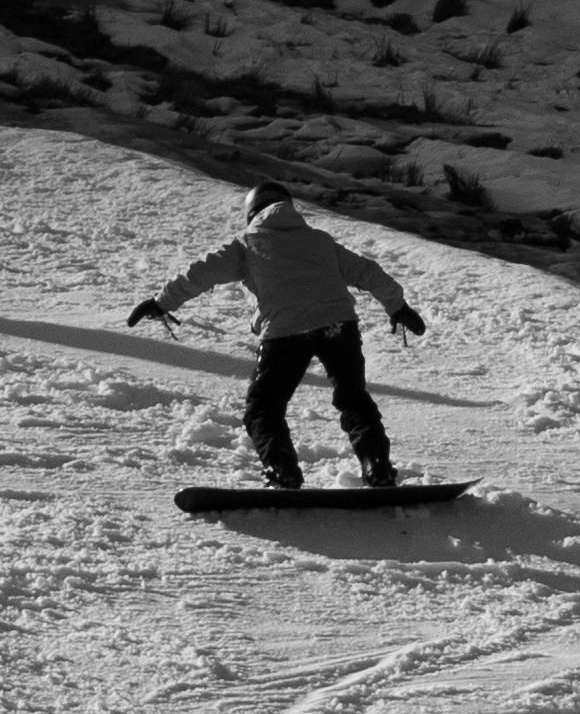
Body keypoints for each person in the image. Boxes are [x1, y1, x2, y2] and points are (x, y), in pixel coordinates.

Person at [130, 180, 425, 494]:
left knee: (264, 408)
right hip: (338, 326)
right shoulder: (320, 240)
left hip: (285, 332)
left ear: (251, 212)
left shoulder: (247, 242)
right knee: (353, 398)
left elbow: (201, 273)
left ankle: (282, 472)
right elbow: (368, 271)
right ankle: (377, 468)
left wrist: (162, 302)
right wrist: (398, 306)